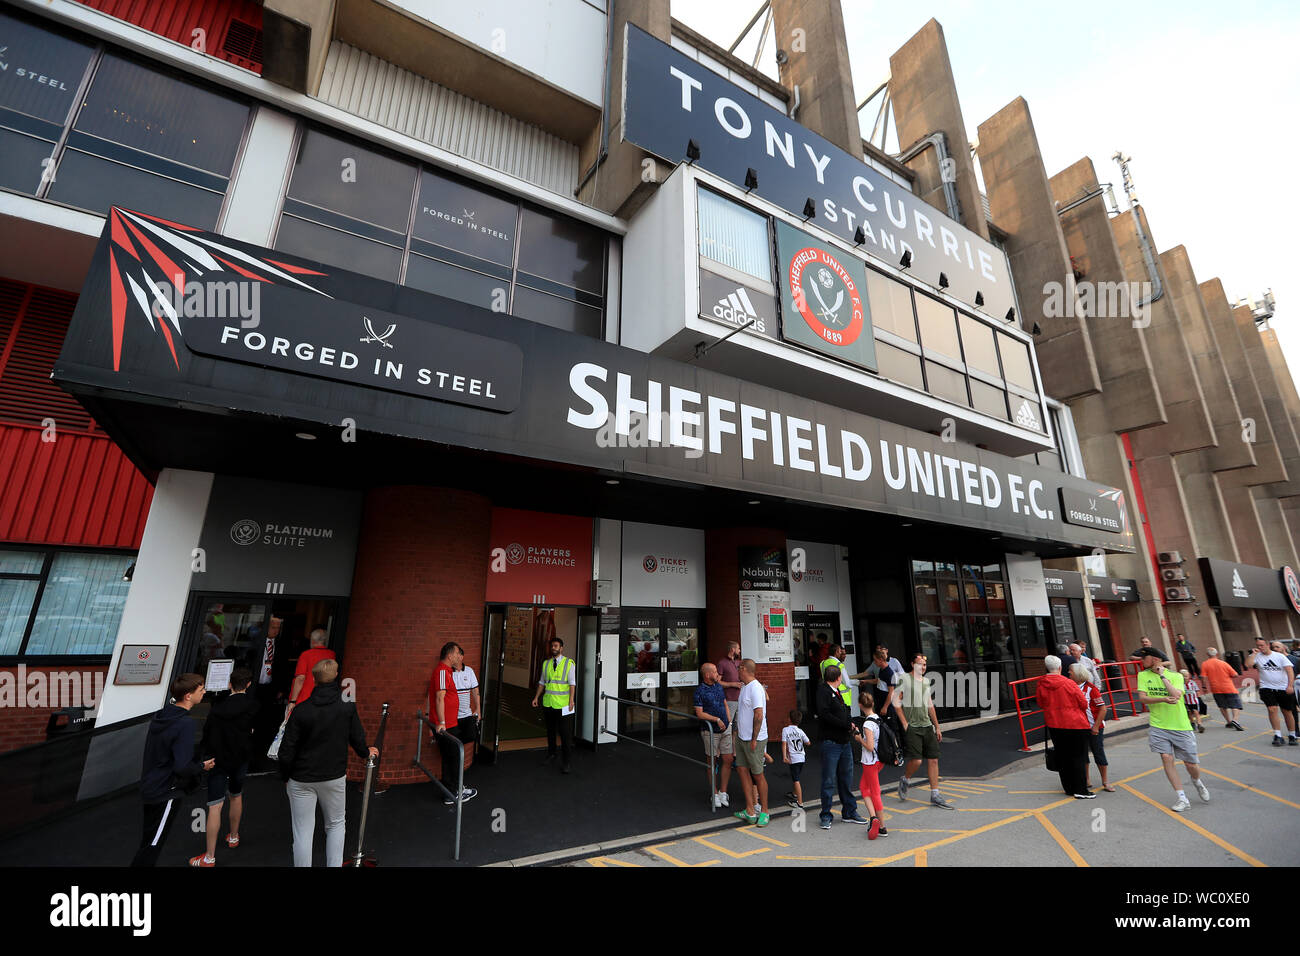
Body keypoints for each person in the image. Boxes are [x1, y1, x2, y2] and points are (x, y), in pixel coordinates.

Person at [279, 658, 377, 866]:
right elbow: (357, 737)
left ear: (314, 680)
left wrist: (285, 775)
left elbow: (287, 749)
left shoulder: (302, 710)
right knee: (335, 825)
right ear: (336, 677)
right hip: (333, 776)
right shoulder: (346, 706)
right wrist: (365, 752)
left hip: (301, 776)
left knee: (303, 833)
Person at [132, 674, 215, 867]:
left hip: (151, 786)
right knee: (152, 845)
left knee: (148, 840)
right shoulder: (185, 723)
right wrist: (203, 766)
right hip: (166, 792)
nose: (204, 693)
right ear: (188, 696)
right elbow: (183, 766)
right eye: (201, 690)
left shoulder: (161, 716)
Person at [191, 667, 259, 866]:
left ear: (230, 684)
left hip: (218, 760)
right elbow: (254, 731)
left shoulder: (217, 708)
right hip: (240, 759)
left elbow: (207, 736)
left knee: (215, 806)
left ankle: (209, 857)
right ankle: (234, 836)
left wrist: (205, 758)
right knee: (236, 795)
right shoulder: (254, 706)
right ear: (248, 684)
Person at [1136, 649, 1210, 811]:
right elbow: (1142, 698)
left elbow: (1176, 695)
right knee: (1166, 757)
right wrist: (1162, 699)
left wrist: (1163, 676)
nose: (1141, 660)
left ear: (1155, 659)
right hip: (1158, 725)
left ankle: (1196, 781)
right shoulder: (1143, 675)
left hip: (1180, 726)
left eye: (1144, 657)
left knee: (1191, 764)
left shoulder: (1176, 676)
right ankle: (1182, 798)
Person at [894, 653, 953, 808]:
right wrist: (905, 723)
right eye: (920, 664)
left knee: (933, 759)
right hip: (912, 726)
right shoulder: (904, 679)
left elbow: (929, 705)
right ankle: (905, 779)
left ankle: (935, 794)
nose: (923, 667)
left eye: (925, 665)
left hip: (927, 725)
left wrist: (937, 726)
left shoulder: (926, 681)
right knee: (917, 760)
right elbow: (896, 702)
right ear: (913, 664)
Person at [816, 664, 868, 829]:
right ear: (838, 678)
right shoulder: (824, 692)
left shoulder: (834, 691)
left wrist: (849, 724)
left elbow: (839, 713)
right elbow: (824, 714)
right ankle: (826, 815)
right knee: (829, 780)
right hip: (832, 742)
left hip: (844, 742)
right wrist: (845, 725)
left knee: (845, 779)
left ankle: (849, 812)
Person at [1036, 656, 1094, 799]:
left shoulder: (1041, 683)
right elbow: (1083, 703)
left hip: (1055, 723)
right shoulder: (1068, 683)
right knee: (1078, 757)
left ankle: (1069, 788)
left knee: (1063, 756)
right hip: (1075, 724)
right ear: (1060, 668)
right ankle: (1081, 790)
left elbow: (1041, 703)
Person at [430, 642, 477, 804]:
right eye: (457, 653)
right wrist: (441, 722)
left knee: (452, 757)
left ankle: (454, 789)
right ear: (450, 655)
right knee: (454, 757)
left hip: (451, 723)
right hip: (447, 725)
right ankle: (453, 793)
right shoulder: (442, 671)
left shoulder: (447, 672)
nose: (459, 656)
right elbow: (439, 697)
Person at [731, 659, 770, 827]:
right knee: (741, 770)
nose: (737, 671)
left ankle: (765, 812)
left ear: (744, 669)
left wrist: (754, 739)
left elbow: (759, 715)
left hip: (755, 739)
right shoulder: (745, 687)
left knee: (758, 774)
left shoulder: (755, 688)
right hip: (742, 738)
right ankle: (750, 810)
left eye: (738, 668)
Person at [531, 636, 577, 771]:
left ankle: (566, 762)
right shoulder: (546, 664)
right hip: (548, 703)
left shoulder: (569, 663)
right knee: (550, 732)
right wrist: (536, 697)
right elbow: (542, 682)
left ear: (561, 648)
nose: (553, 648)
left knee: (565, 734)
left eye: (556, 646)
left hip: (563, 705)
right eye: (552, 646)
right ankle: (552, 754)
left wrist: (571, 701)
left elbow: (572, 684)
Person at [693, 662, 733, 808]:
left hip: (726, 729)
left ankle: (723, 792)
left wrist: (728, 721)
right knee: (712, 762)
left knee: (728, 759)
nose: (717, 674)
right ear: (708, 675)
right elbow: (699, 713)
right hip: (710, 731)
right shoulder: (699, 691)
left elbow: (725, 703)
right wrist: (716, 719)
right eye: (715, 672)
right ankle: (714, 793)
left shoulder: (718, 686)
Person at [1246, 636, 1297, 747]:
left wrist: (1290, 685)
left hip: (1283, 688)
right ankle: (1277, 735)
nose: (1260, 647)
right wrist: (1253, 654)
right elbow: (1248, 665)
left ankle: (1292, 734)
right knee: (1272, 709)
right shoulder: (1257, 656)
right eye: (1258, 645)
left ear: (1268, 645)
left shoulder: (1279, 656)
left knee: (1287, 711)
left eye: (1262, 645)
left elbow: (1289, 671)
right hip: (1267, 688)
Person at [1071, 662, 1112, 793]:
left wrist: (1095, 726)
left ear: (1077, 674)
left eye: (1070, 671)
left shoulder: (1091, 689)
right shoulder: (1071, 687)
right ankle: (1087, 780)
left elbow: (1103, 709)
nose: (1068, 673)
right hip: (1079, 728)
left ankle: (1105, 781)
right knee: (1082, 755)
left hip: (1094, 727)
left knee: (1098, 753)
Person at [853, 693, 886, 838]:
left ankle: (882, 826)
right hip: (879, 760)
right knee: (863, 788)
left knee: (874, 792)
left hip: (870, 761)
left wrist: (859, 739)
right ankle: (874, 818)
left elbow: (870, 746)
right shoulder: (878, 718)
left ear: (860, 705)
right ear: (872, 704)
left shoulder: (867, 724)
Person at [287, 628, 335, 715]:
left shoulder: (306, 655)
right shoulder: (331, 655)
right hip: (324, 699)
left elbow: (300, 678)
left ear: (312, 641)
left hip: (304, 699)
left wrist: (293, 701)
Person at [1200, 647, 1244, 730]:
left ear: (1207, 655)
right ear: (1217, 654)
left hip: (1216, 688)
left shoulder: (1205, 664)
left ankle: (1228, 721)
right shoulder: (1223, 663)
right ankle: (1235, 720)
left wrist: (1204, 687)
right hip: (1228, 687)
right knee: (1236, 705)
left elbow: (1203, 677)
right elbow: (1235, 674)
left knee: (1222, 706)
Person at [858, 646, 901, 719]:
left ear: (881, 660)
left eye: (875, 660)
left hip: (887, 706)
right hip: (880, 702)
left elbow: (891, 692)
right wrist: (866, 681)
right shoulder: (882, 669)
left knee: (890, 727)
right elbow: (878, 680)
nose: (874, 662)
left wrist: (885, 707)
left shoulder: (888, 673)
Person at [780, 709, 811, 810]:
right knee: (796, 776)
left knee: (796, 779)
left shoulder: (785, 730)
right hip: (802, 757)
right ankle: (794, 793)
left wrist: (784, 756)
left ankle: (800, 803)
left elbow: (784, 744)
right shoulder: (800, 731)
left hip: (793, 758)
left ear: (789, 719)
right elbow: (808, 742)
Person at [819, 644, 853, 708]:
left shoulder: (823, 663)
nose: (841, 653)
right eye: (840, 651)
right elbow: (847, 683)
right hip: (843, 698)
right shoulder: (839, 664)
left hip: (828, 693)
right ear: (836, 652)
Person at [716, 641, 743, 722]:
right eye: (738, 648)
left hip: (741, 698)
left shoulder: (739, 662)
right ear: (732, 649)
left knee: (738, 726)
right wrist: (732, 684)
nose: (739, 650)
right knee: (729, 722)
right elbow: (717, 682)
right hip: (729, 700)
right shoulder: (722, 663)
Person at [1180, 669, 1206, 734]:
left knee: (1196, 712)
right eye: (1184, 676)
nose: (1185, 677)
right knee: (1189, 713)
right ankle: (1192, 723)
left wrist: (1199, 698)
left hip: (1194, 701)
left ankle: (1199, 725)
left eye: (1186, 676)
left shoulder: (1192, 683)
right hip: (1186, 701)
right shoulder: (1180, 684)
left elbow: (1197, 690)